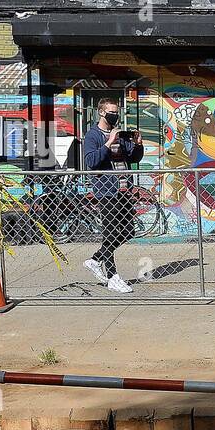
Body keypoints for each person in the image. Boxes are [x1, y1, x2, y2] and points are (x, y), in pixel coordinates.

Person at [82, 99, 143, 294]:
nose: (115, 115)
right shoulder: (93, 135)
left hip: (124, 191)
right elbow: (91, 161)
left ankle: (95, 259)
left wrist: (138, 144)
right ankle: (112, 277)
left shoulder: (120, 134)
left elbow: (133, 158)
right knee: (110, 233)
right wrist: (109, 142)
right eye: (111, 112)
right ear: (101, 113)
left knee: (128, 231)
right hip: (106, 191)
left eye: (117, 112)